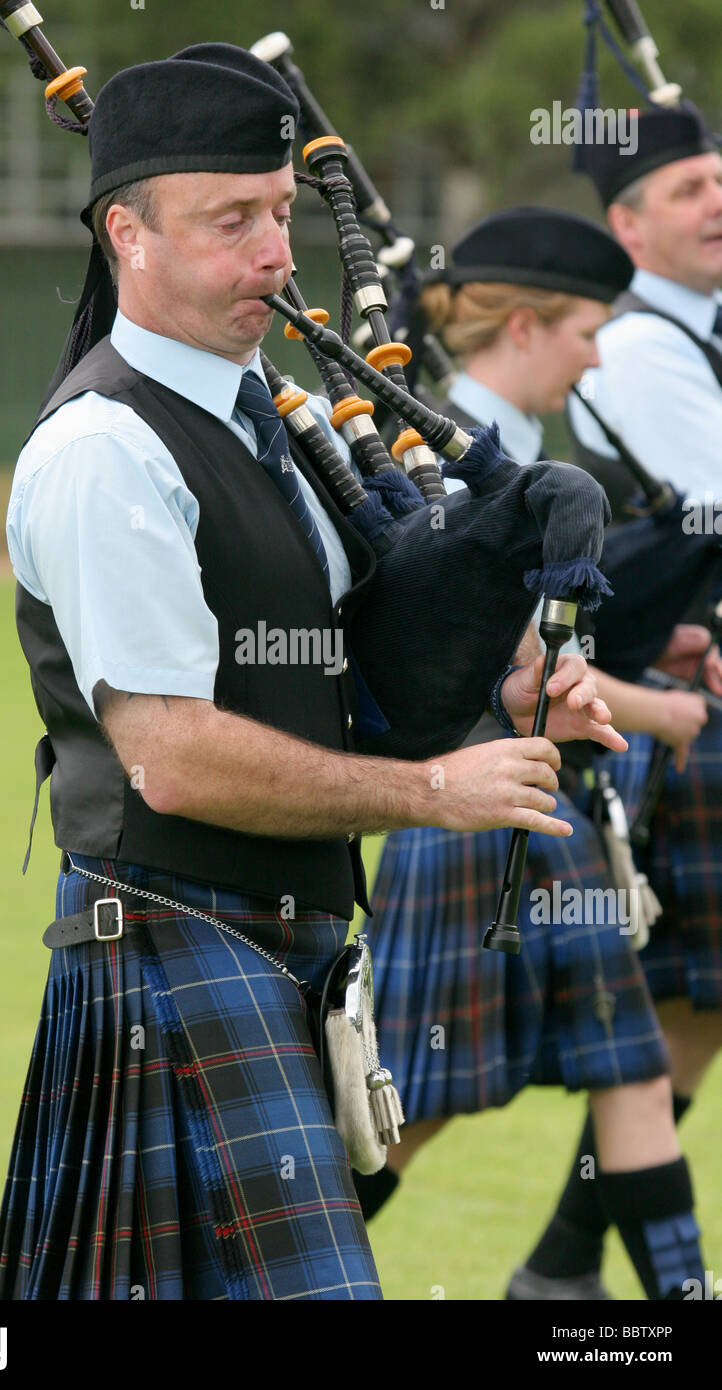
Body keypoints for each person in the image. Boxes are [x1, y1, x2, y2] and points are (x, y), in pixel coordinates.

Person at [0, 48, 618, 1302]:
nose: (275, 252)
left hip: (291, 956)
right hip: (169, 953)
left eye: (278, 212)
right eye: (231, 220)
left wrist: (504, 693)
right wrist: (435, 788)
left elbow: (338, 678)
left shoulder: (267, 425)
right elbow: (170, 750)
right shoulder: (104, 450)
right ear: (128, 232)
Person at [354, 207, 713, 1302]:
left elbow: (553, 637)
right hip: (467, 801)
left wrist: (665, 642)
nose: (600, 353)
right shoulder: (441, 461)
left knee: (633, 1072)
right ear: (521, 325)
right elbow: (499, 666)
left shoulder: (500, 446)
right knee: (413, 1106)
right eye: (585, 330)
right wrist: (651, 712)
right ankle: (243, 1269)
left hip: (534, 803)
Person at [516, 103, 722, 1300]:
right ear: (625, 224)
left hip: (666, 698)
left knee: (686, 1008)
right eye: (687, 187)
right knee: (618, 1028)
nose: (716, 202)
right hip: (638, 713)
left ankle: (559, 1265)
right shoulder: (642, 347)